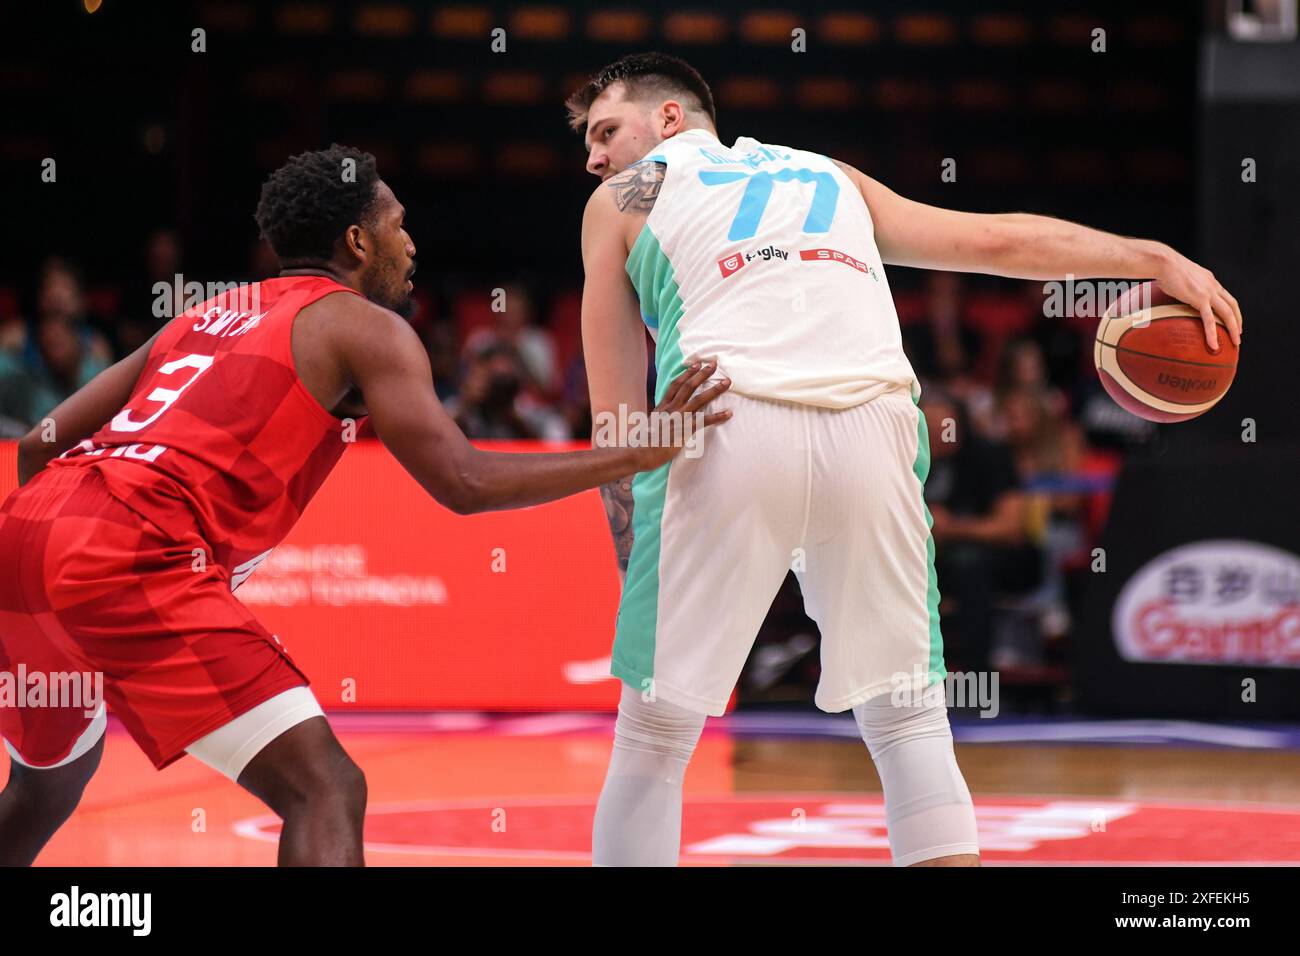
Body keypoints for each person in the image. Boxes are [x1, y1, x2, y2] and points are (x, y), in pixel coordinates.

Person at [567, 51, 1243, 867]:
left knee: (655, 733)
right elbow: (995, 241)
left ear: (670, 119)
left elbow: (618, 422)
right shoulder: (831, 175)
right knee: (910, 720)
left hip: (725, 417)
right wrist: (1151, 256)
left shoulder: (618, 200)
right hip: (875, 424)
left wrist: (632, 550)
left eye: (605, 130)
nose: (594, 157)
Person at [0, 144, 729, 867]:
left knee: (45, 785)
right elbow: (463, 483)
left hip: (24, 538)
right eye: (398, 225)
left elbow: (38, 444)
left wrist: (66, 563)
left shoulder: (202, 314)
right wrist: (637, 452)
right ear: (357, 240)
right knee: (326, 789)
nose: (410, 244)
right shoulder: (361, 325)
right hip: (129, 545)